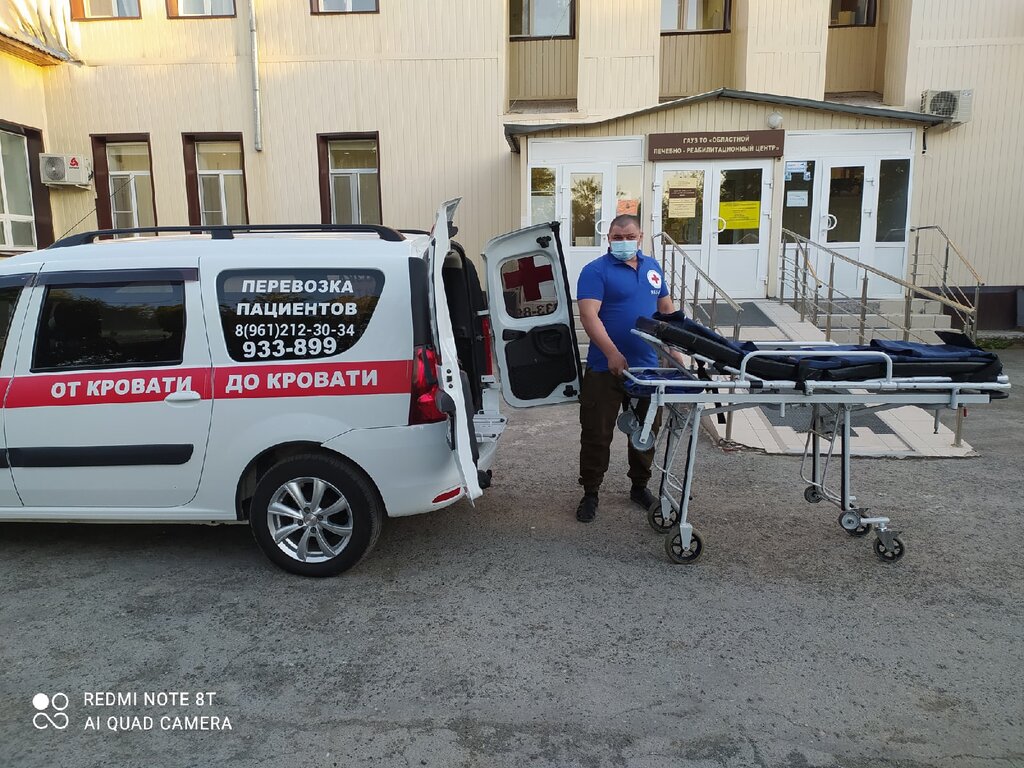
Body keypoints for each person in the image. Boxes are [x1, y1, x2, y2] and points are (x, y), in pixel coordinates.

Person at [574, 214, 675, 523]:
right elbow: (589, 316)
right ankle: (591, 492)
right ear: (608, 239)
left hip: (647, 370)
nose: (623, 242)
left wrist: (674, 351)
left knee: (646, 430)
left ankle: (639, 487)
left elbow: (666, 310)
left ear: (640, 236)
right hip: (604, 368)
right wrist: (612, 353)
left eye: (629, 236)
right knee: (596, 432)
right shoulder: (595, 271)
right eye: (617, 237)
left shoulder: (652, 268)